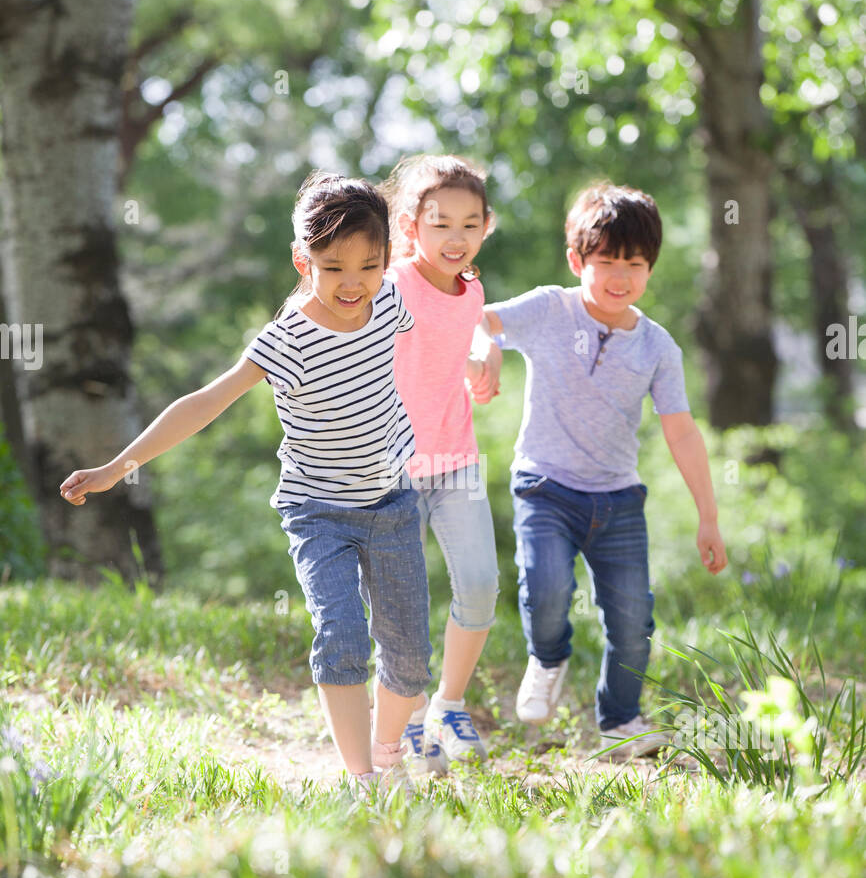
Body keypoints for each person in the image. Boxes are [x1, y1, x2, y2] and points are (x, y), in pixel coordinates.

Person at [59, 172, 432, 795]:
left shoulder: (389, 300)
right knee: (340, 632)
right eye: (332, 266)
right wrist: (114, 468)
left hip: (392, 501)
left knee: (410, 657)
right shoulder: (289, 340)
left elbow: (439, 297)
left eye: (369, 265)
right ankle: (362, 778)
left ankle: (390, 750)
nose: (352, 283)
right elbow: (202, 403)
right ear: (301, 261)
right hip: (318, 511)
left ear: (386, 260)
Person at [480, 181, 727, 758]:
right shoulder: (549, 308)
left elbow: (682, 432)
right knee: (545, 589)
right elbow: (479, 318)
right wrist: (484, 347)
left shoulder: (658, 348)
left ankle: (621, 720)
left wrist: (708, 516)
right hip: (544, 486)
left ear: (650, 268)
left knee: (634, 620)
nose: (621, 276)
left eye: (634, 264)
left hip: (617, 501)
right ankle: (548, 657)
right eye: (607, 261)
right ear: (577, 260)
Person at [381, 154, 502, 769]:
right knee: (398, 608)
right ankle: (405, 719)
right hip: (389, 469)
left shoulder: (472, 285)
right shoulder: (393, 282)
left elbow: (475, 325)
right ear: (410, 227)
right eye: (440, 224)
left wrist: (489, 353)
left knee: (481, 585)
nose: (455, 238)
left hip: (457, 460)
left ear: (485, 227)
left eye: (469, 224)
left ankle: (449, 704)